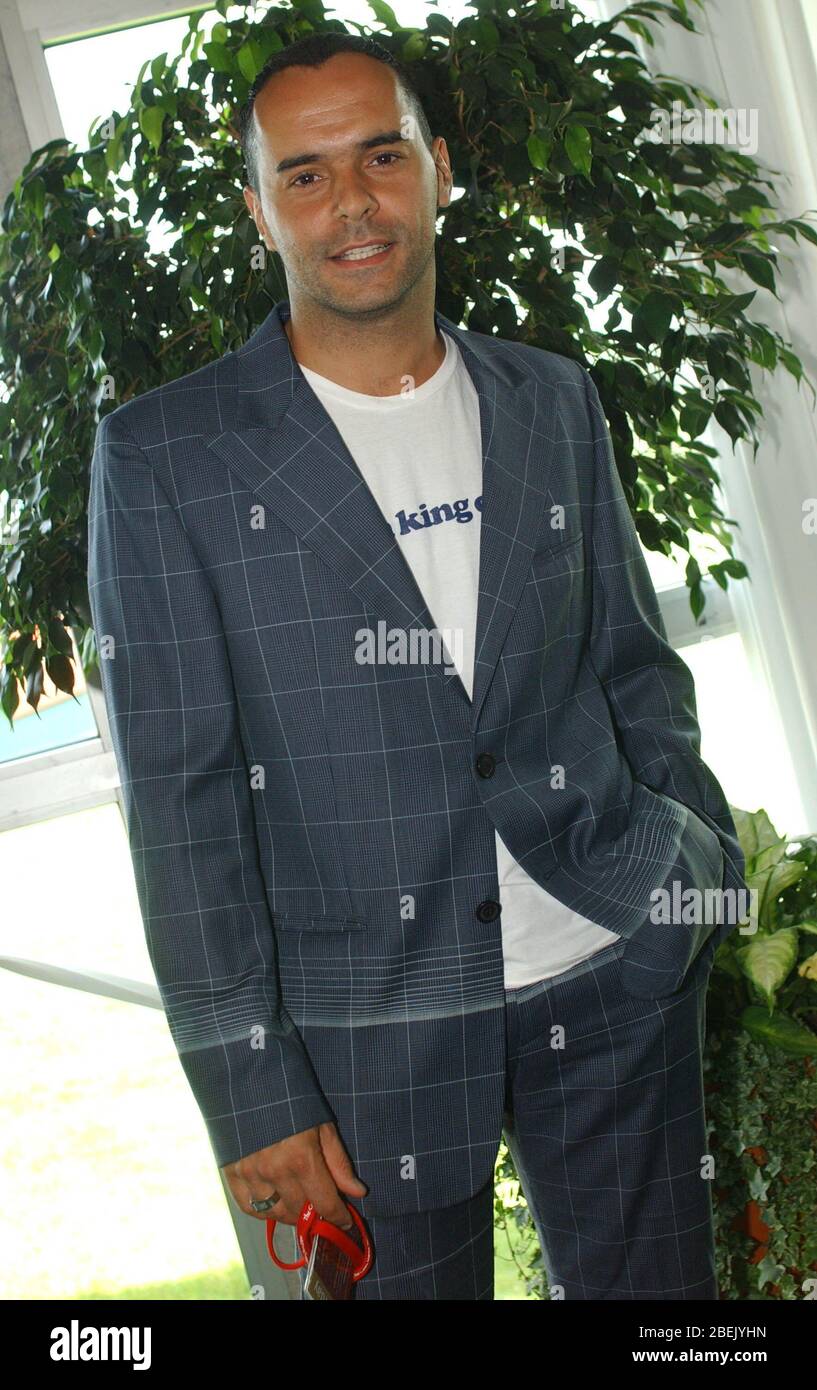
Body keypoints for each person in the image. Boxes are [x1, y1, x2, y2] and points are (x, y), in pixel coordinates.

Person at [87, 32, 748, 1300]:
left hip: (612, 976)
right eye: (306, 174)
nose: (352, 203)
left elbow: (632, 667)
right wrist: (250, 1086)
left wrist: (688, 864)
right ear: (258, 208)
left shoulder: (553, 399)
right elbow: (181, 806)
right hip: (356, 1052)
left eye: (382, 156)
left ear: (438, 170)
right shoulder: (167, 458)